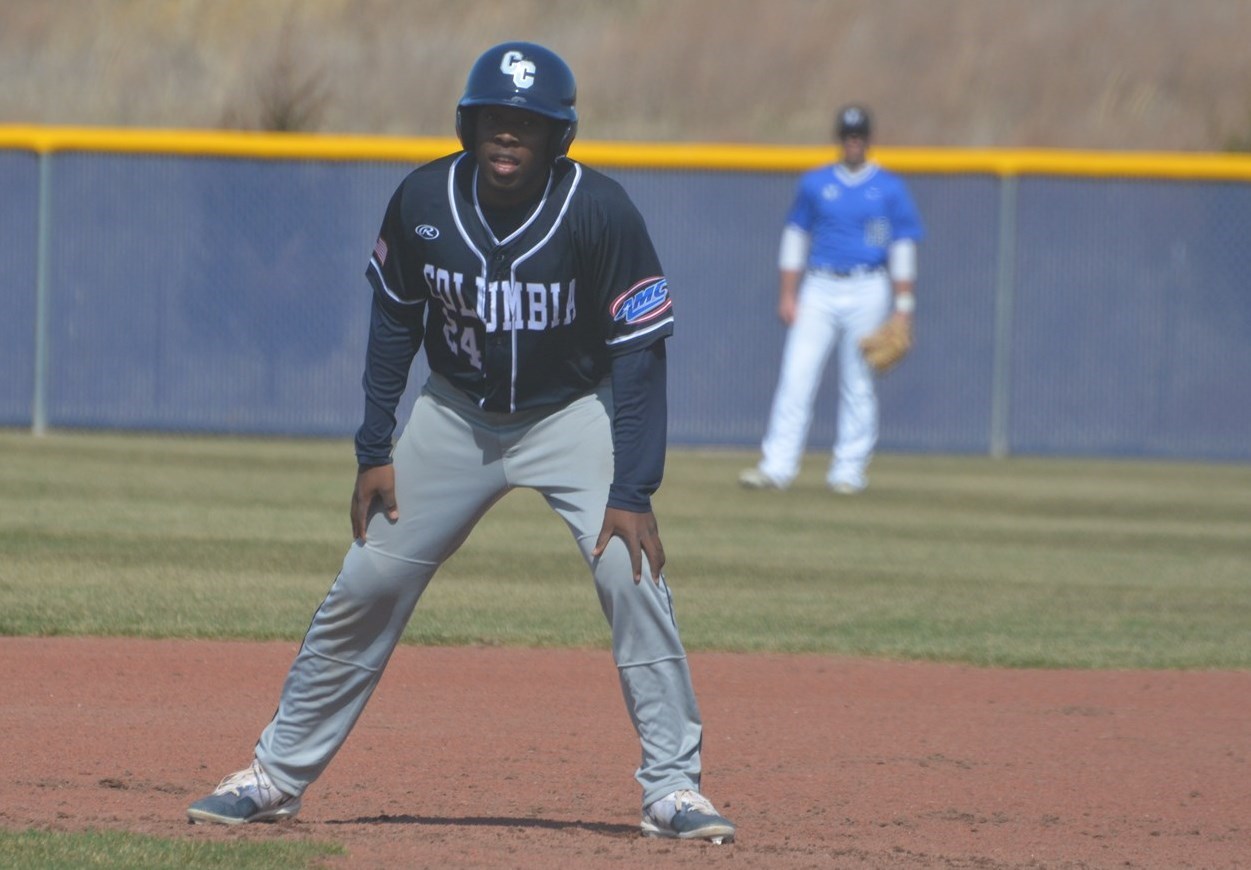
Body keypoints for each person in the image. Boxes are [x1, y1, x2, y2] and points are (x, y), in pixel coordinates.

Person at [186, 42, 736, 844]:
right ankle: (275, 775)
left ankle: (672, 789)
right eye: (494, 120)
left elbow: (638, 355)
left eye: (528, 124)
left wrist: (633, 490)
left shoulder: (599, 211)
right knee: (366, 580)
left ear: (558, 138)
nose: (508, 136)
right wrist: (374, 445)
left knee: (629, 571)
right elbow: (392, 325)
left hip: (569, 414)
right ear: (468, 125)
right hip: (453, 417)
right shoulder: (421, 200)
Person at [739, 104, 924, 495]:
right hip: (820, 286)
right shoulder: (815, 183)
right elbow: (795, 237)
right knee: (797, 375)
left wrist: (903, 306)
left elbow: (903, 245)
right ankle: (777, 467)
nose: (853, 142)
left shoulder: (889, 188)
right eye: (847, 135)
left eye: (859, 136)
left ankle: (849, 471)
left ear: (868, 140)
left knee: (858, 381)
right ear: (839, 139)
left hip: (868, 285)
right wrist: (788, 293)